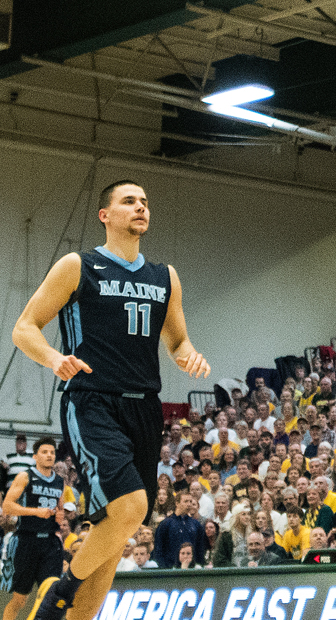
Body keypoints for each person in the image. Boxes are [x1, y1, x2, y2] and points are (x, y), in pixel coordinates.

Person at [11, 180, 210, 620]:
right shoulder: (78, 265)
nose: (141, 207)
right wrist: (54, 358)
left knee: (118, 529)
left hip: (145, 407)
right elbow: (24, 328)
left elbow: (177, 340)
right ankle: (60, 592)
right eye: (129, 201)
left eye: (145, 202)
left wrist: (188, 355)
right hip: (92, 400)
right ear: (105, 215)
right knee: (132, 506)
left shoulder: (165, 276)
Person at [1, 439, 65, 620]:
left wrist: (60, 515)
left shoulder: (60, 481)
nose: (49, 455)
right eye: (45, 452)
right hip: (27, 540)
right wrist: (36, 512)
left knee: (50, 596)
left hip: (51, 543)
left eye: (52, 452)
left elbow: (60, 509)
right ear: (35, 456)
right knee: (20, 599)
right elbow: (7, 506)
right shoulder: (25, 476)